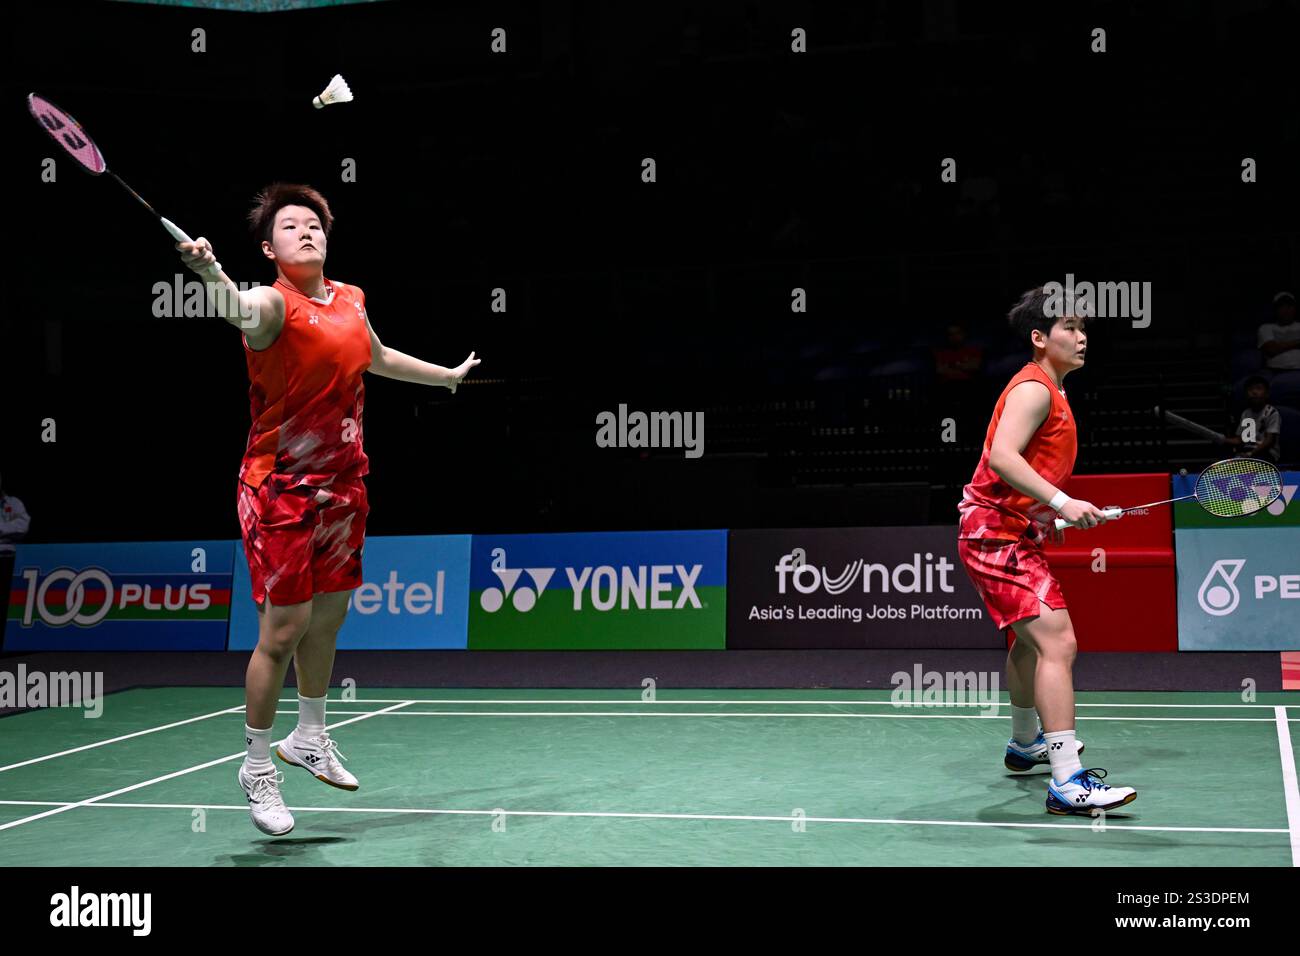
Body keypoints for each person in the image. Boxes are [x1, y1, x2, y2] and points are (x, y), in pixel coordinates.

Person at [178, 183, 480, 836]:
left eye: (314, 222)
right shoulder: (269, 304)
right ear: (270, 247)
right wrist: (207, 270)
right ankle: (258, 766)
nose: (306, 231)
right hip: (279, 487)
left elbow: (378, 357)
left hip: (343, 484)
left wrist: (446, 376)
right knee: (281, 632)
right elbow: (234, 307)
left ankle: (311, 735)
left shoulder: (351, 299)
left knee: (329, 618)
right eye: (290, 226)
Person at [956, 287, 1136, 815]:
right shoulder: (1033, 390)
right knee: (1059, 642)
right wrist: (1060, 499)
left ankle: (1025, 743)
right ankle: (1067, 780)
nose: (1081, 338)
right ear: (1040, 338)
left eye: (1084, 329)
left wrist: (1045, 514)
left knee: (1030, 643)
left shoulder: (1053, 389)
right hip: (993, 532)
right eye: (1070, 328)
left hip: (1010, 527)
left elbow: (1023, 471)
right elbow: (1002, 458)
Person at [0, 469, 31, 641]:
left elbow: (23, 527)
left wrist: (2, 529)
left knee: (10, 603)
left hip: (11, 559)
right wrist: (9, 530)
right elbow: (15, 528)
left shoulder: (14, 503)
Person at [1228, 374, 1282, 463]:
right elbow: (1240, 440)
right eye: (1250, 389)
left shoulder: (1272, 412)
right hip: (1247, 452)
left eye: (1258, 388)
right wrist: (1221, 439)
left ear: (1267, 394)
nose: (1254, 392)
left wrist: (1250, 454)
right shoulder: (1246, 413)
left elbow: (1269, 441)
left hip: (1266, 453)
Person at [1258, 291, 1300, 371]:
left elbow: (1277, 347)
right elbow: (1272, 349)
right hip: (1276, 371)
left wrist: (1281, 345)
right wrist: (1298, 343)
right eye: (1282, 306)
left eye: (1290, 305)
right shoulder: (1266, 328)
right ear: (1275, 310)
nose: (1286, 309)